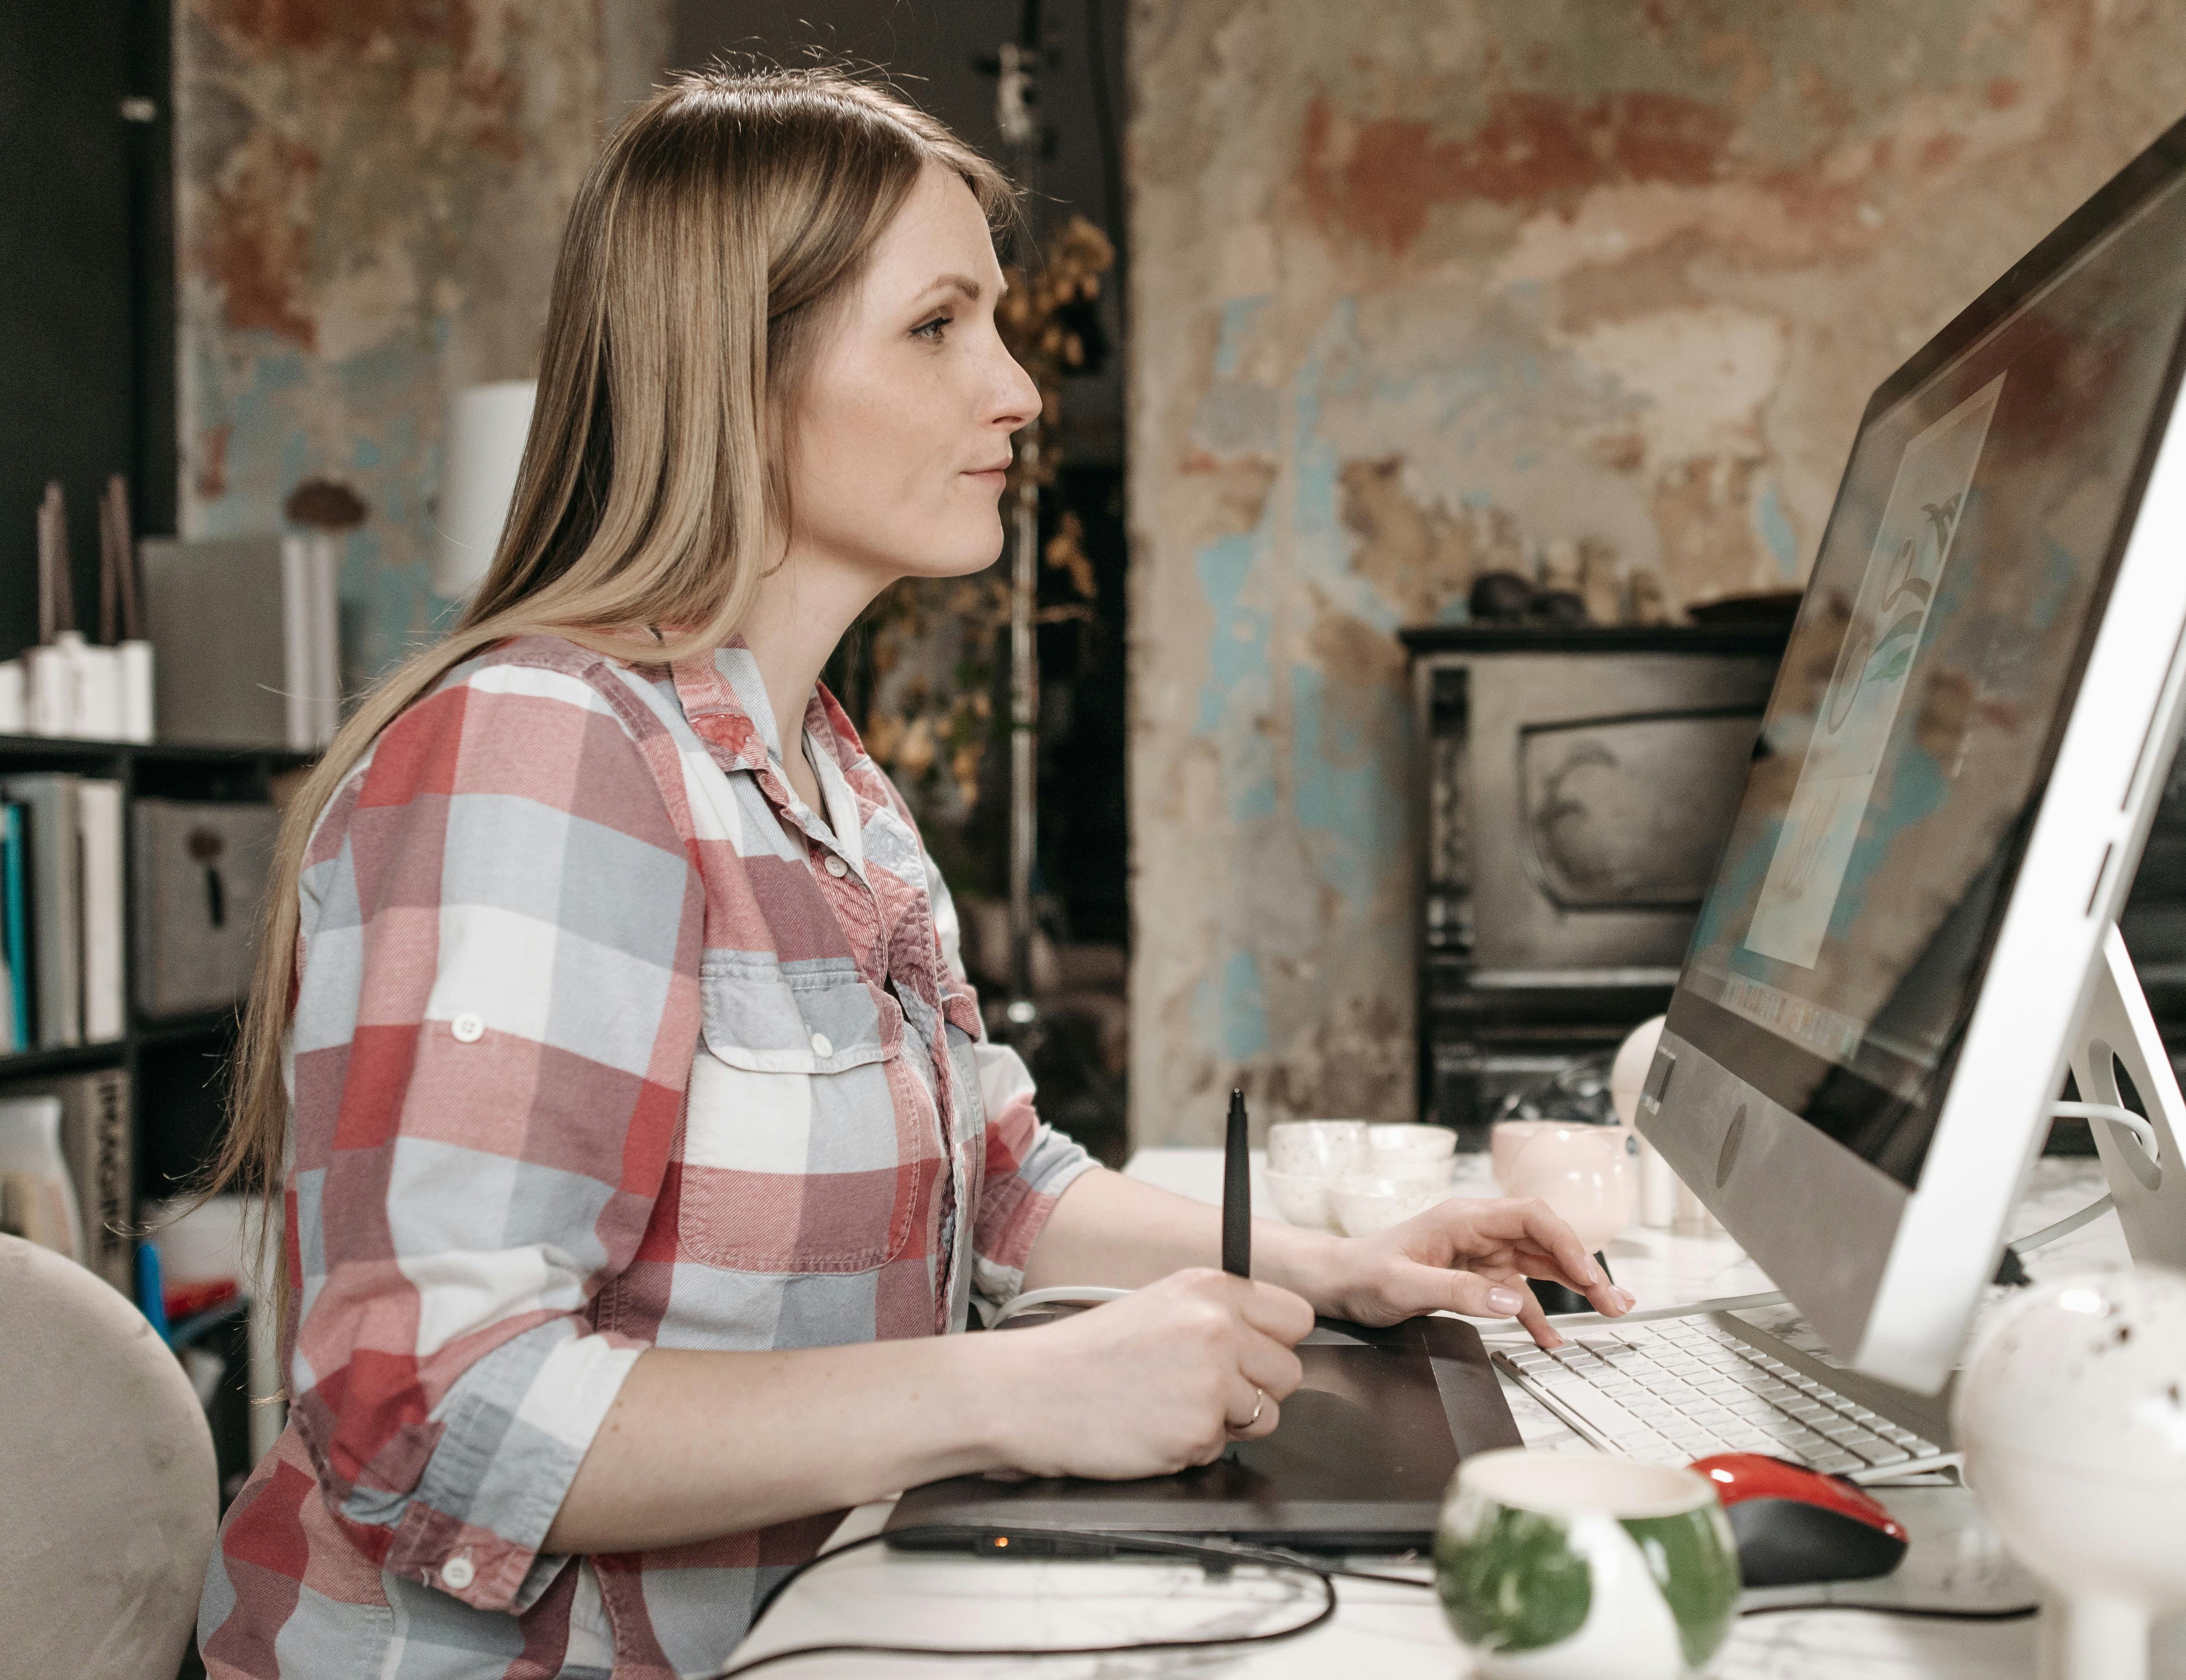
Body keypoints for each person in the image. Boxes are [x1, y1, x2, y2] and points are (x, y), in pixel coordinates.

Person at [193, 66, 1631, 1680]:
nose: (1020, 392)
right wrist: (1011, 1393)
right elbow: (431, 1410)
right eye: (940, 326)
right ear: (738, 371)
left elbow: (1000, 1176)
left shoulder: (826, 774)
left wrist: (1337, 1268)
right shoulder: (539, 752)